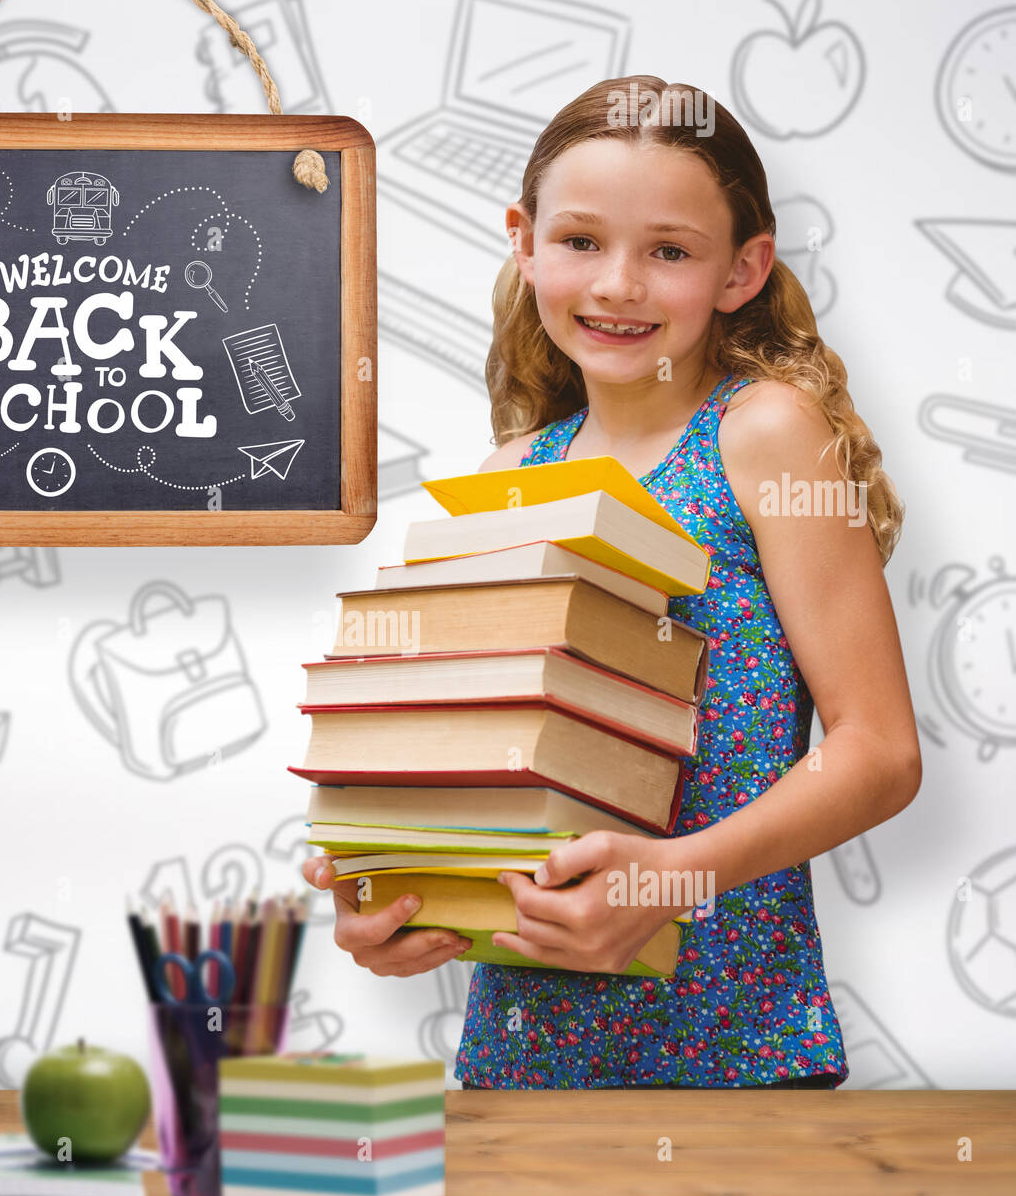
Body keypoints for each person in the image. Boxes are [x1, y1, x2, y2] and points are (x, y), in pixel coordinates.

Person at [302, 75, 921, 1089]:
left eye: (668, 251)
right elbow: (475, 766)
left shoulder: (763, 434)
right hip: (520, 1061)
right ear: (524, 240)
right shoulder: (509, 476)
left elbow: (881, 751)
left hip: (738, 1053)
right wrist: (397, 891)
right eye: (582, 241)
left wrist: (672, 876)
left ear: (742, 269)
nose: (619, 284)